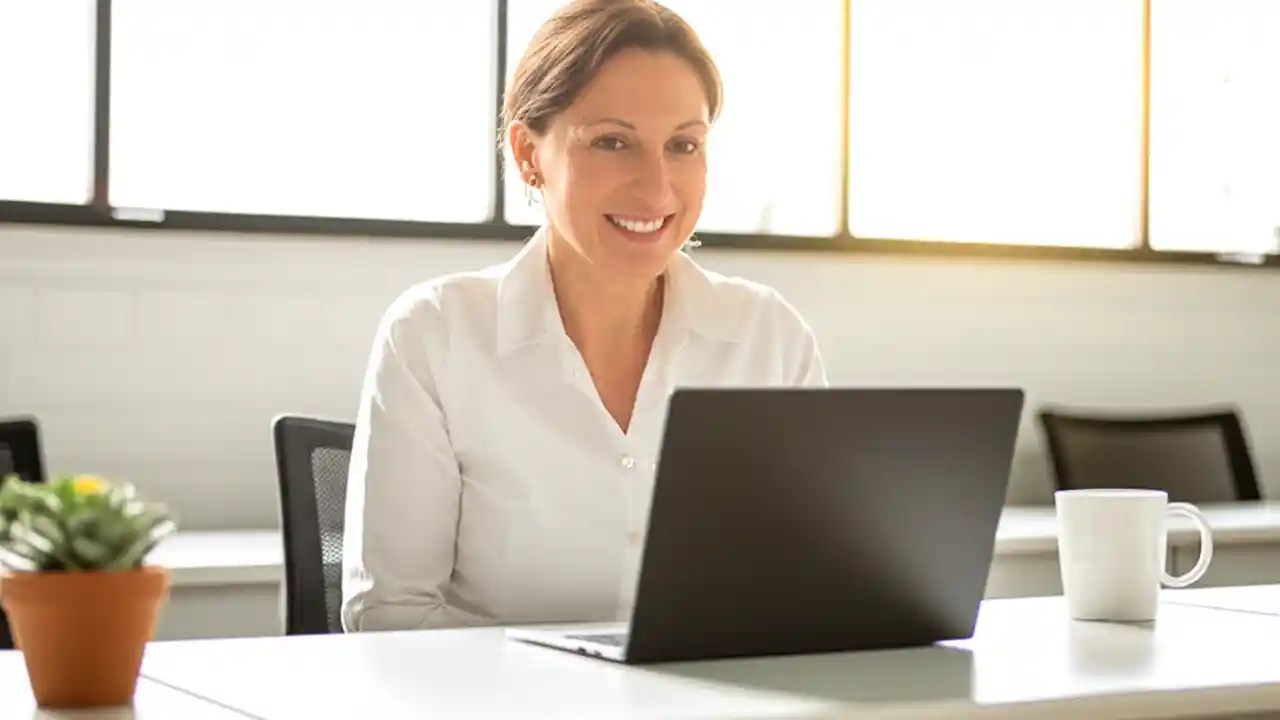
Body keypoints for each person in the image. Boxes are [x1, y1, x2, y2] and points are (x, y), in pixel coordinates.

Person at [341, 0, 827, 633]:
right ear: (527, 153)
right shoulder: (434, 335)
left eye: (683, 145)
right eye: (612, 142)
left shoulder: (771, 339)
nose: (656, 189)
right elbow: (391, 618)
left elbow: (814, 589)